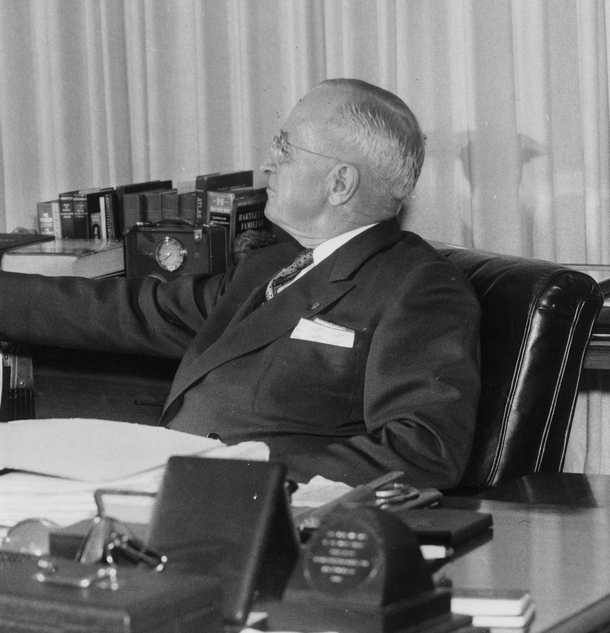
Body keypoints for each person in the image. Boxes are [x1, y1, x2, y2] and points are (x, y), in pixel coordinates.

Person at [0, 79, 481, 489]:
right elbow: (129, 310)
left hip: (259, 513)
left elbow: (425, 451)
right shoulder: (269, 266)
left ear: (340, 184)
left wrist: (243, 469)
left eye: (284, 150)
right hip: (168, 489)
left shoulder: (419, 288)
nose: (269, 164)